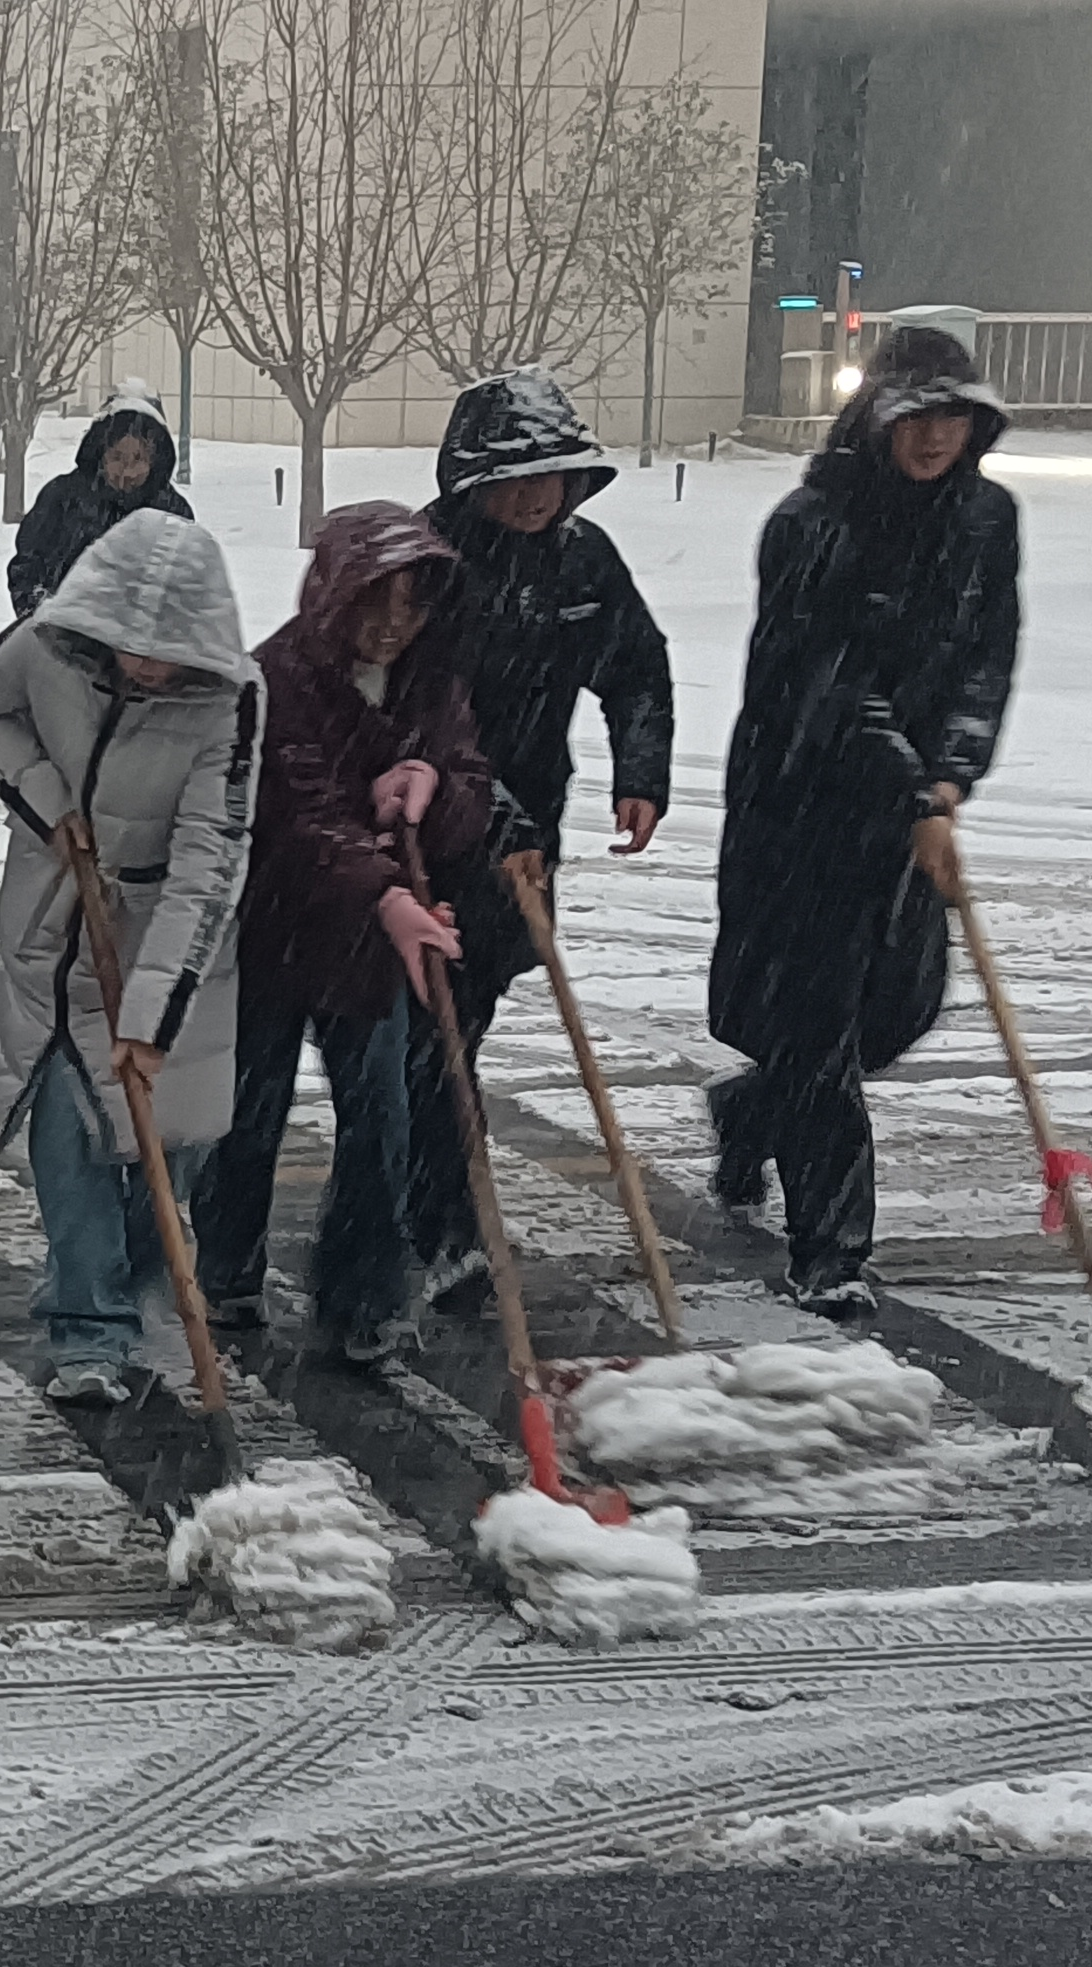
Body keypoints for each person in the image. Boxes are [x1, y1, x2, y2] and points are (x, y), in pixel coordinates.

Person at [710, 326, 1019, 1320]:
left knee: (899, 1007)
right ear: (876, 418)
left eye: (952, 417)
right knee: (817, 1025)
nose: (933, 437)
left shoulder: (986, 520)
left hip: (912, 807)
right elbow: (822, 678)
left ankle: (754, 1108)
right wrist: (911, 789)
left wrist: (951, 775)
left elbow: (988, 655)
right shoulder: (812, 525)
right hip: (800, 802)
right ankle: (831, 1249)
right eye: (915, 417)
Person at [0, 511, 259, 1409]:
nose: (145, 667)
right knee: (68, 1136)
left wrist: (151, 1020)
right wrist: (51, 804)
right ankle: (86, 1325)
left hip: (169, 937)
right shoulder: (45, 644)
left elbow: (210, 862)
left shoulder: (231, 701)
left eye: (166, 653)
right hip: (57, 920)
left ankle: (141, 1288)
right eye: (131, 647)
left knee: (162, 1144)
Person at [193, 502, 495, 1366]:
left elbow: (472, 784)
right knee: (250, 1111)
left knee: (381, 1120)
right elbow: (300, 817)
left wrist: (435, 787)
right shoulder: (275, 678)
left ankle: (363, 1293)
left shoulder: (433, 683)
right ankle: (227, 1268)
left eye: (412, 604)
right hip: (278, 927)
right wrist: (382, 890)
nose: (394, 625)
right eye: (376, 601)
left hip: (369, 949)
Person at [413, 364, 674, 1311]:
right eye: (515, 478)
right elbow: (425, 716)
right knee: (433, 1033)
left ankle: (427, 1197)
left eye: (552, 476)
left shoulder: (582, 562)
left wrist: (641, 772)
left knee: (468, 1014)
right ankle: (441, 1224)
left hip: (531, 825)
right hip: (428, 827)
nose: (535, 496)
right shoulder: (430, 564)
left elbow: (636, 667)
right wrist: (494, 819)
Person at [5, 386, 193, 618]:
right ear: (101, 454)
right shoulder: (63, 498)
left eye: (138, 459)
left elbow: (187, 587)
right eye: (117, 457)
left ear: (154, 461)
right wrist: (41, 613)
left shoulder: (173, 513)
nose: (127, 470)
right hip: (64, 632)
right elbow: (27, 567)